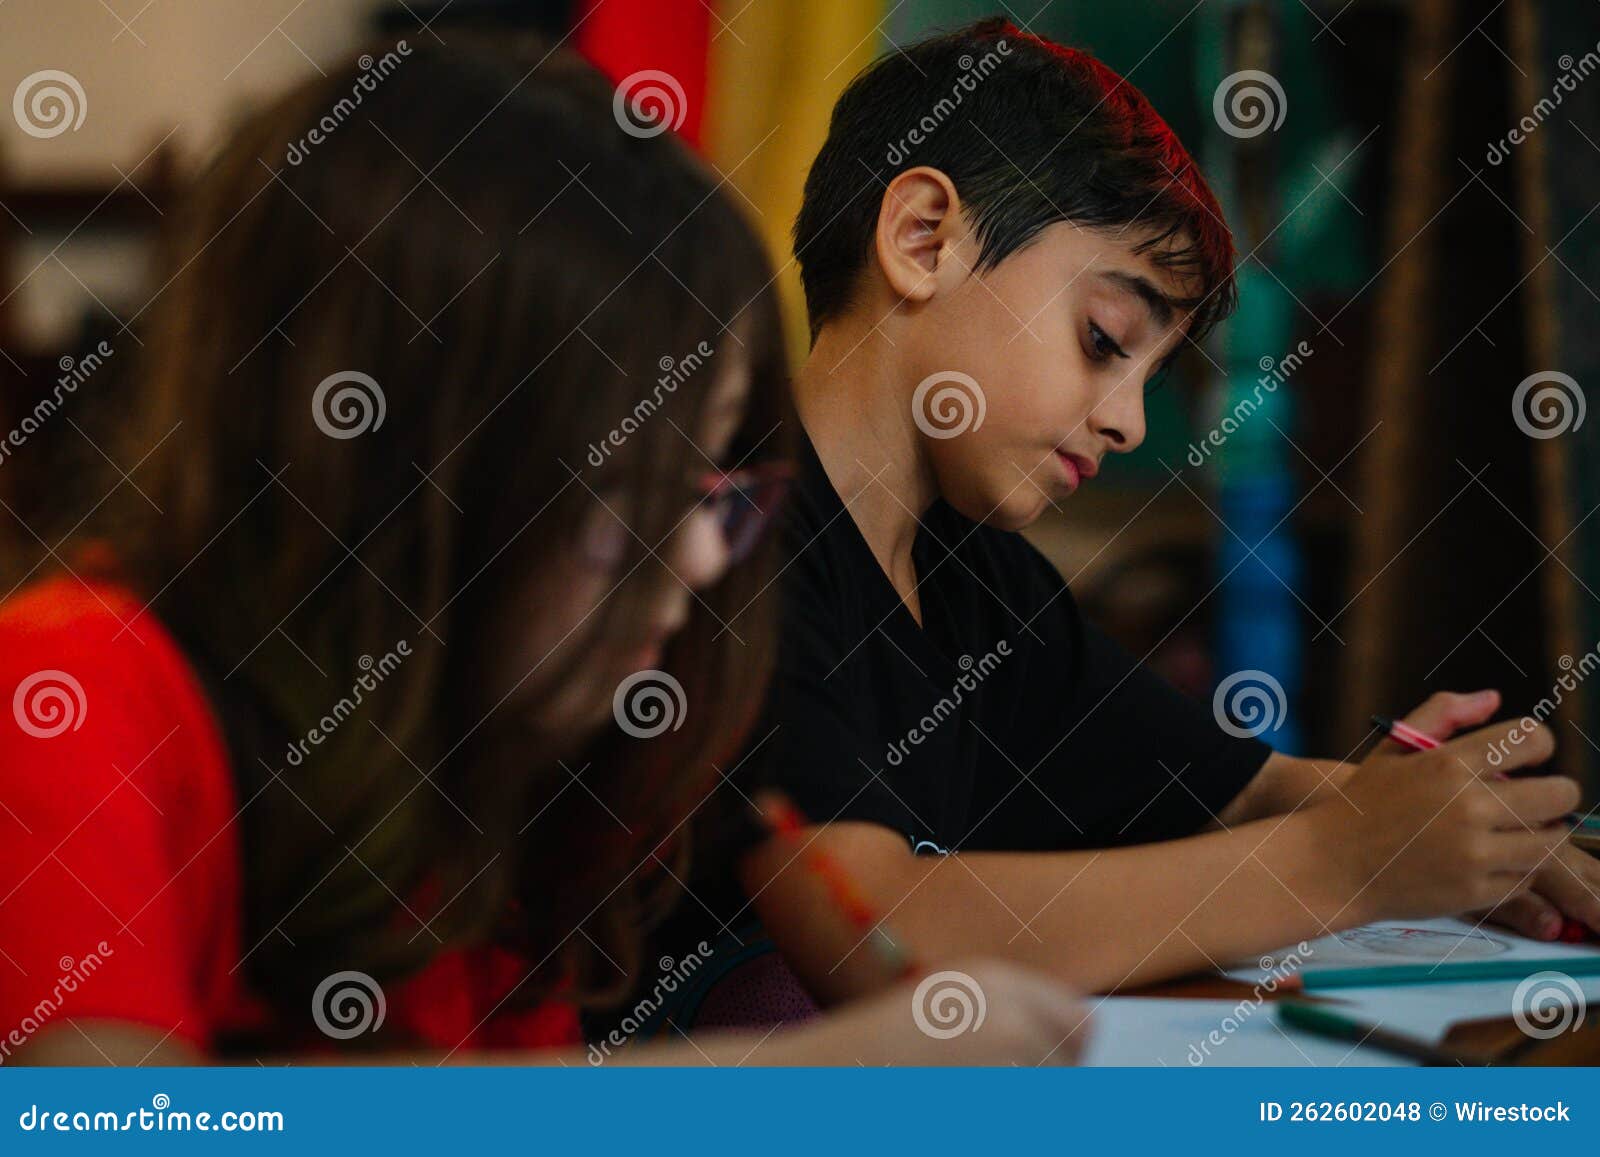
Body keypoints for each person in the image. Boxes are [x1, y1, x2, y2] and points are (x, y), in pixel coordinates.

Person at [0, 37, 1084, 1066]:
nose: (700, 562)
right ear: (401, 473)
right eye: (628, 494)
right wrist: (794, 1080)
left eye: (712, 494)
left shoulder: (491, 762)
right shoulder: (69, 691)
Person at [740, 18, 1592, 1000]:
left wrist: (1440, 818)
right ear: (922, 237)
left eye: (1150, 375)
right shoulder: (733, 550)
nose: (1130, 422)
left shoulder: (975, 579)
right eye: (1105, 339)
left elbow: (1240, 789)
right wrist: (1350, 857)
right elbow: (879, 933)